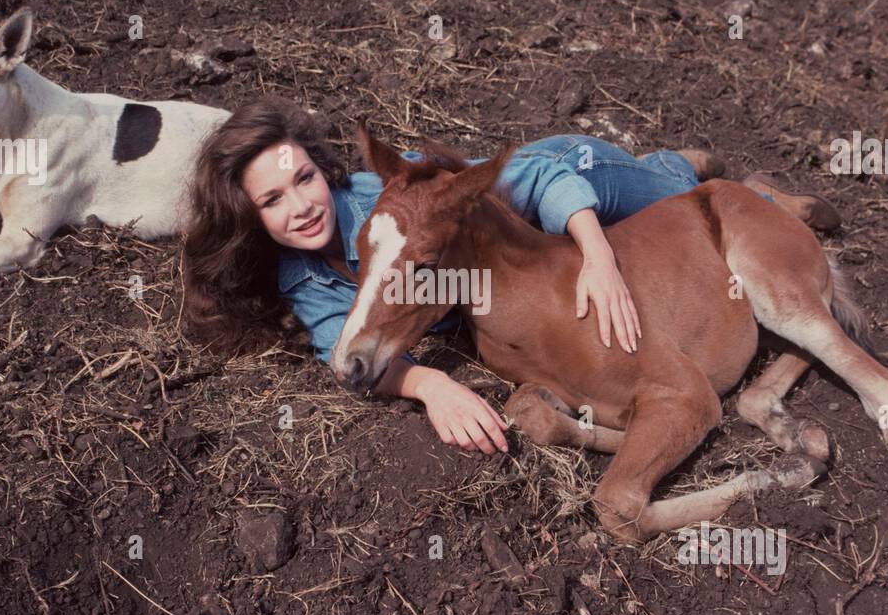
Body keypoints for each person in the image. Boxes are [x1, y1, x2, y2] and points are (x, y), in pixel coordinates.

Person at [182, 97, 837, 455]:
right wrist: (430, 384)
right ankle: (675, 165)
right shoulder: (301, 275)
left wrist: (601, 260)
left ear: (321, 167)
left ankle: (738, 186)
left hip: (568, 179)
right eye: (273, 200)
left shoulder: (399, 193)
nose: (300, 205)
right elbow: (346, 352)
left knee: (667, 194)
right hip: (523, 249)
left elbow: (542, 179)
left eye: (303, 178)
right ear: (250, 214)